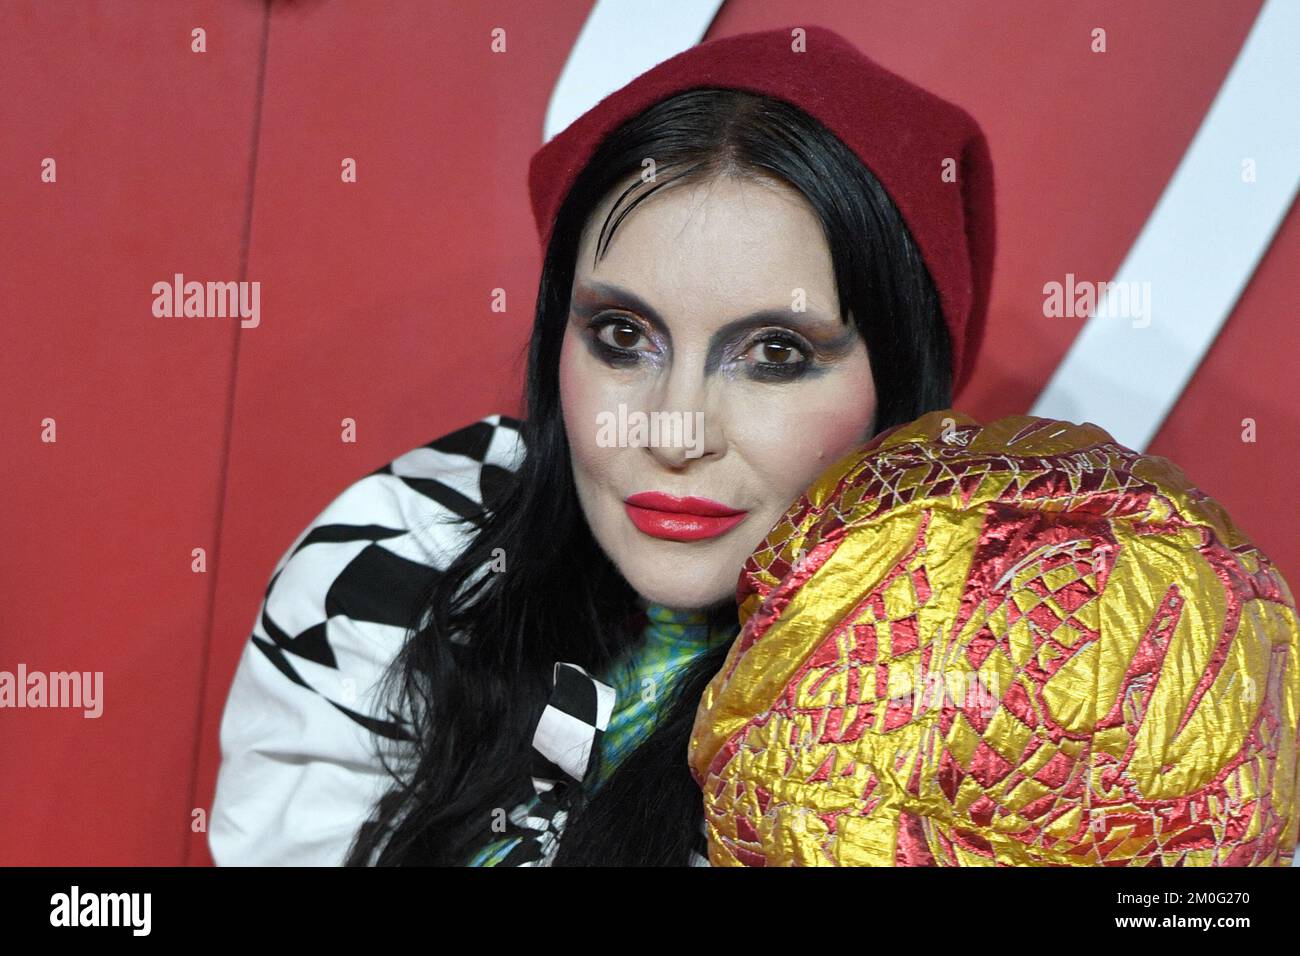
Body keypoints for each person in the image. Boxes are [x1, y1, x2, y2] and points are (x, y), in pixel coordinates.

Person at [208, 25, 1296, 866]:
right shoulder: (403, 560)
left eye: (774, 353)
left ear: (899, 387)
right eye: (621, 337)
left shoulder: (1053, 665)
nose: (674, 428)